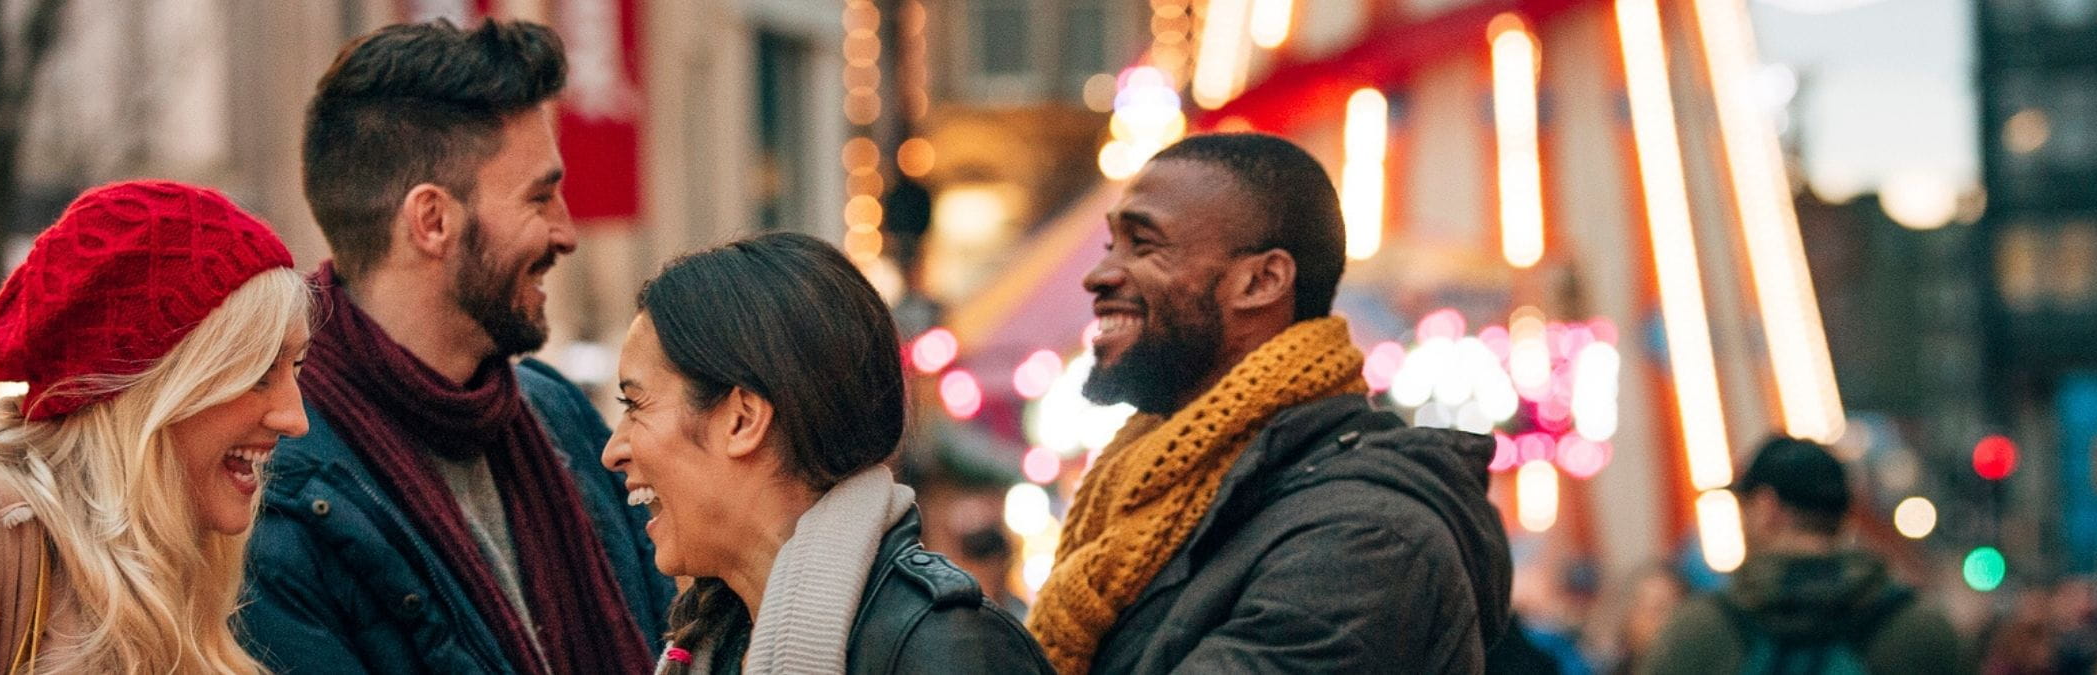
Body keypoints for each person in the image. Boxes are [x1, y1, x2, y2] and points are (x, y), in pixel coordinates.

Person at [236, 17, 669, 675]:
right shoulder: (275, 504)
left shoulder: (560, 416)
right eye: (540, 196)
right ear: (433, 220)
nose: (566, 232)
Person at [1024, 133, 1512, 673]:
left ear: (1262, 281)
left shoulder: (1363, 541)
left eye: (1144, 244)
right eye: (1110, 246)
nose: (1099, 275)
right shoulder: (1156, 506)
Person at [0, 180, 309, 672]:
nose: (296, 419)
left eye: (296, 368)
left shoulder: (173, 562)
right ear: (148, 383)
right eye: (259, 372)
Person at [601, 232, 1048, 674]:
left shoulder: (950, 650)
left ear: (742, 419)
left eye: (635, 405)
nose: (612, 452)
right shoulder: (714, 643)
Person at [1639, 437, 1964, 675]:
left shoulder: (1700, 633)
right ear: (1843, 515)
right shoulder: (1923, 632)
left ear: (1767, 508)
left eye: (1744, 509)